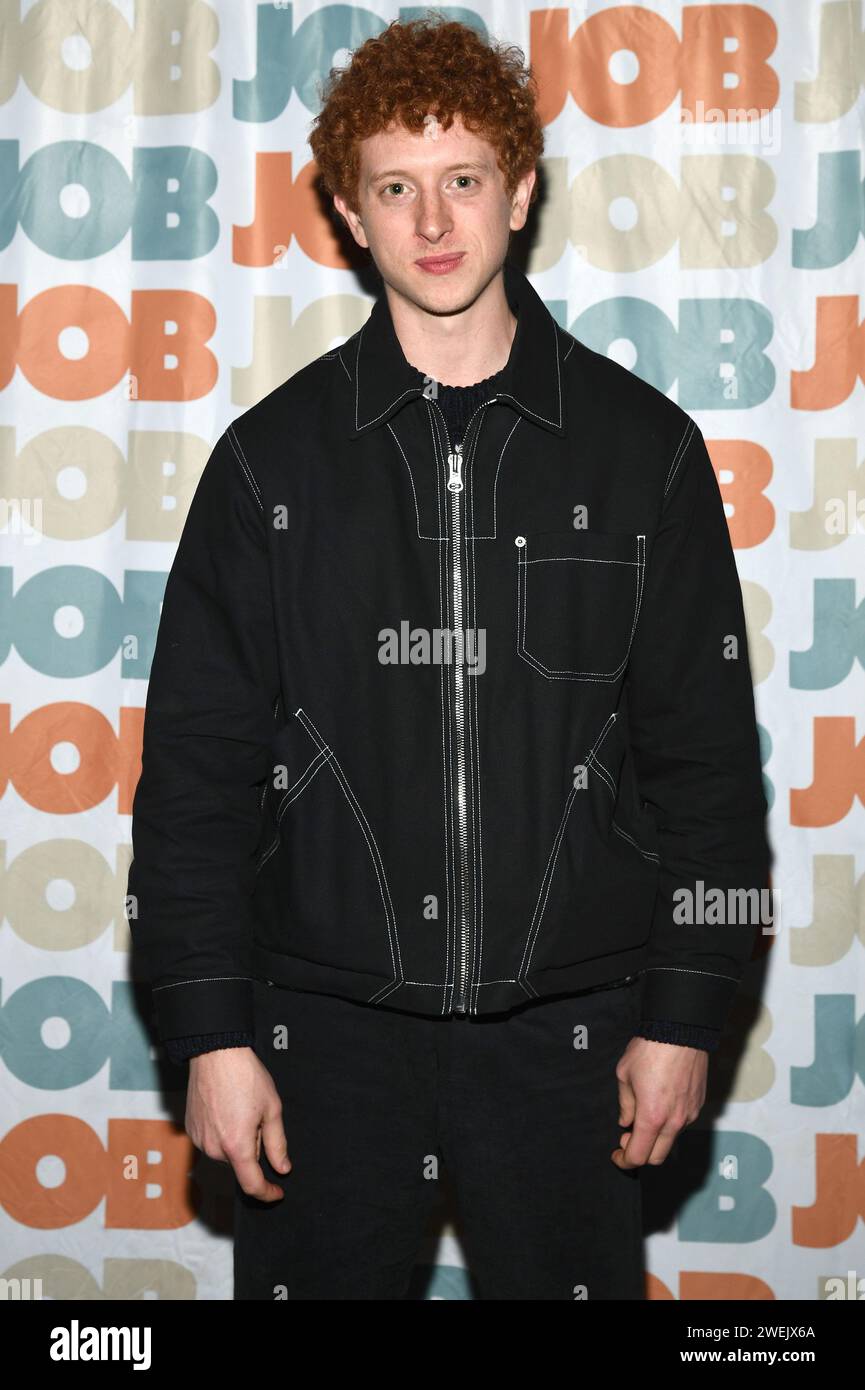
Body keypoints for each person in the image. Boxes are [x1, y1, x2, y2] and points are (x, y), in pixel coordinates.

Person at [128, 16, 770, 1300]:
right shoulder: (269, 465)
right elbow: (196, 778)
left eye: (464, 177)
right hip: (323, 1036)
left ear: (519, 191)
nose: (433, 220)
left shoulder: (642, 451)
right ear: (349, 214)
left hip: (573, 1036)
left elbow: (703, 767)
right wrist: (209, 1032)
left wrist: (684, 1013)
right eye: (395, 188)